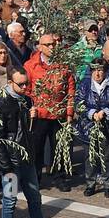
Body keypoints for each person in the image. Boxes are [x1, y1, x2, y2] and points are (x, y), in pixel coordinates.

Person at [0, 68, 63, 218]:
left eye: (26, 84)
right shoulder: (1, 103)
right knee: (10, 201)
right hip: (11, 163)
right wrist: (6, 167)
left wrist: (33, 118)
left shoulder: (27, 100)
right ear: (10, 82)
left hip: (27, 159)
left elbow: (29, 132)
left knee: (34, 198)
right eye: (20, 84)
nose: (24, 87)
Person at [23, 33, 75, 190]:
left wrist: (69, 112)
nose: (52, 47)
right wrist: (32, 107)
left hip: (58, 114)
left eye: (53, 44)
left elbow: (70, 88)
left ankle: (59, 177)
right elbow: (27, 90)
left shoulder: (63, 64)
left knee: (58, 147)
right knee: (37, 148)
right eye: (48, 45)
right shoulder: (31, 66)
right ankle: (36, 177)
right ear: (40, 46)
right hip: (40, 114)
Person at [78, 60, 109, 197]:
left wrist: (106, 112)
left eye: (100, 70)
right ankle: (90, 183)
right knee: (89, 157)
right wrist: (91, 113)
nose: (97, 73)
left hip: (105, 126)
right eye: (94, 70)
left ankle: (108, 184)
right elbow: (78, 103)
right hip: (88, 126)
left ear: (106, 71)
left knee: (106, 156)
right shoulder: (85, 85)